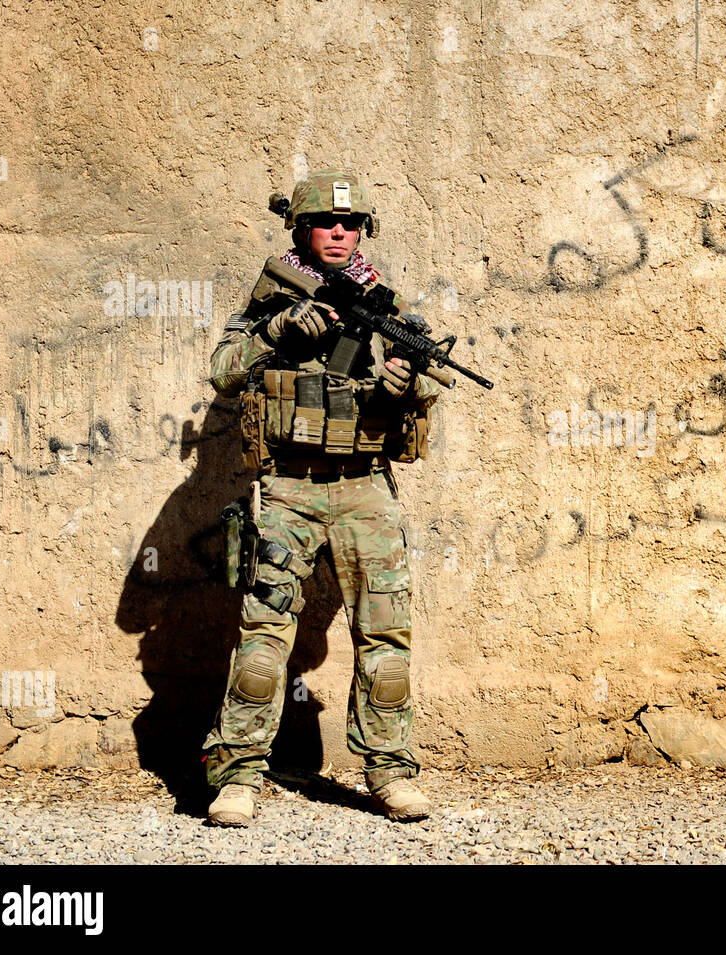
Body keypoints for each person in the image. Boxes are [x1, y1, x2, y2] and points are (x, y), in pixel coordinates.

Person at [201, 168, 442, 826]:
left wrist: (404, 386)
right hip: (288, 488)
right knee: (263, 636)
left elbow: (430, 392)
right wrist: (279, 331)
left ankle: (391, 771)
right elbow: (221, 370)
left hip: (367, 489)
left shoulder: (382, 306)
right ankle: (240, 773)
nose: (339, 233)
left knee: (386, 635)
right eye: (325, 223)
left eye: (350, 224)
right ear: (301, 230)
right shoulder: (273, 298)